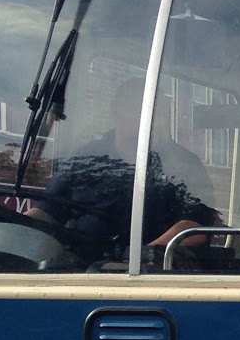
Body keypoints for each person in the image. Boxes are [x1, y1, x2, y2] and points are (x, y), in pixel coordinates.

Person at [34, 78, 218, 264]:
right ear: (117, 112)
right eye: (146, 112)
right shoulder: (86, 160)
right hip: (79, 274)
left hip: (151, 278)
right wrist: (10, 226)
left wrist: (135, 261)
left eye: (163, 114)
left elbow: (193, 230)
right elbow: (47, 213)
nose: (159, 121)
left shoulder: (185, 165)